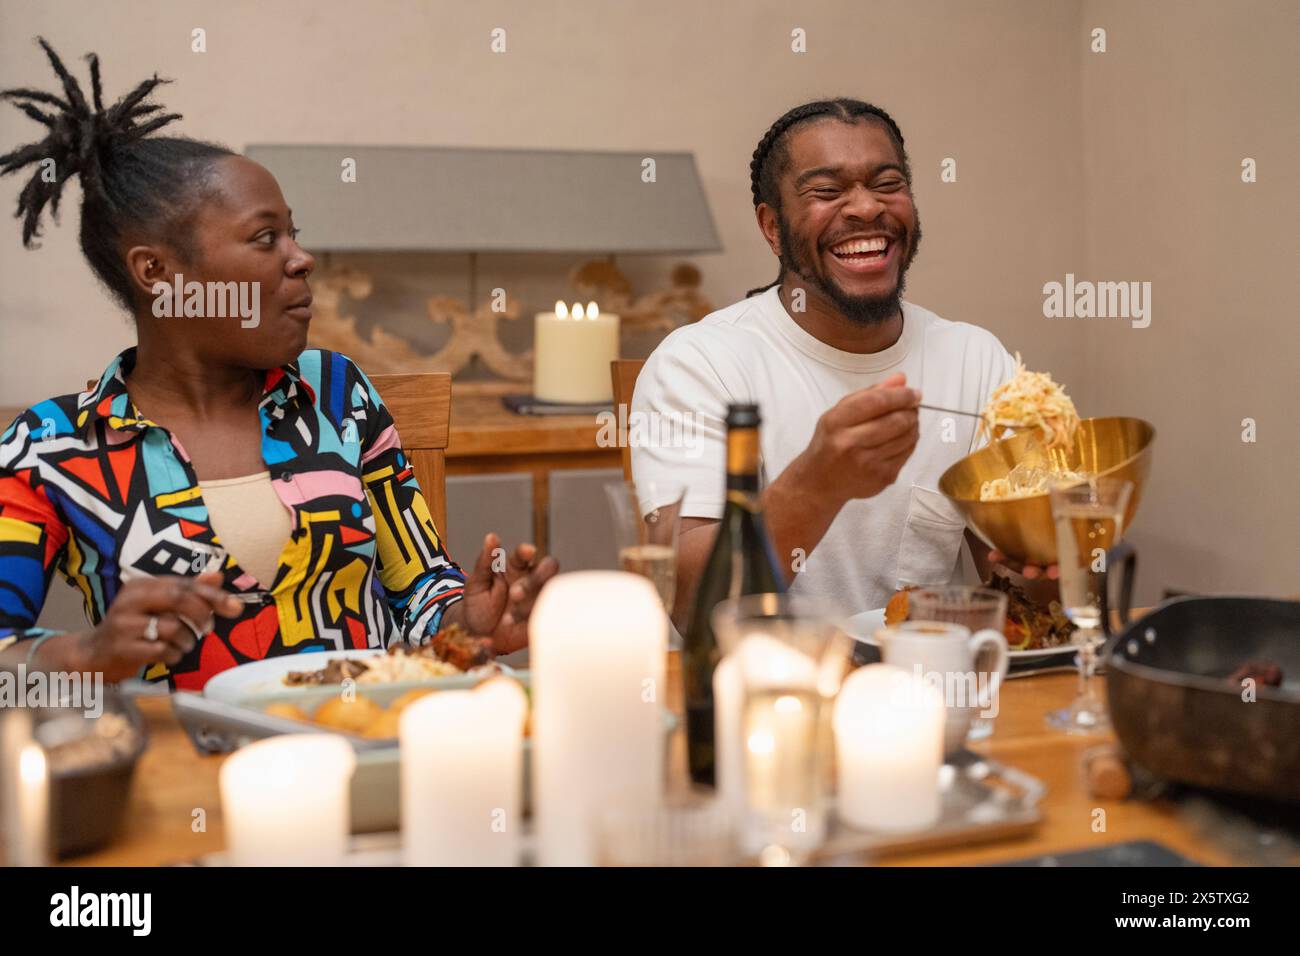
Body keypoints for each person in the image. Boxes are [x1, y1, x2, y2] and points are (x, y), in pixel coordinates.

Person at [0, 40, 557, 688]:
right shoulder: (50, 449)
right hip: (183, 777)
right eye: (266, 238)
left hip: (361, 745)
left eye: (293, 232)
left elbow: (421, 588)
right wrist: (88, 654)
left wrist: (469, 615)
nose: (301, 258)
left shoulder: (338, 393)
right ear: (158, 272)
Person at [633, 97, 1035, 622]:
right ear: (773, 228)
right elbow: (685, 600)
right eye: (827, 191)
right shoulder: (700, 364)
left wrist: (1056, 545)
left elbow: (1023, 598)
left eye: (888, 184)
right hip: (757, 688)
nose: (867, 208)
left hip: (926, 685)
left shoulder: (976, 361)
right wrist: (818, 483)